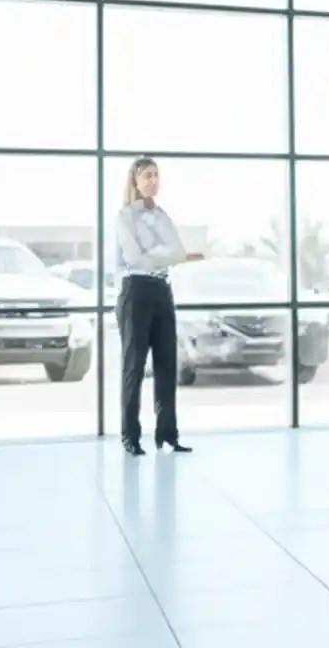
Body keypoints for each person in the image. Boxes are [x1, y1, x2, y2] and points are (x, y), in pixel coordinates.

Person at [115, 156, 202, 457]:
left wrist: (164, 254)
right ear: (135, 181)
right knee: (134, 367)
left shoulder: (161, 215)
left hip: (162, 290)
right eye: (147, 176)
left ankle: (167, 434)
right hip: (136, 292)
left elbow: (175, 250)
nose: (153, 181)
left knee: (167, 365)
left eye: (156, 175)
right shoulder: (125, 217)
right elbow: (136, 257)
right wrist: (169, 254)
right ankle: (130, 437)